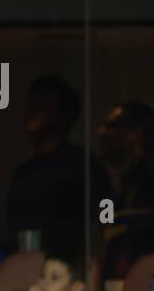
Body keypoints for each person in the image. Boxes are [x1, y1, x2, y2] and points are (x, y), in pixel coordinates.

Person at [6, 75, 104, 249]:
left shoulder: (81, 164)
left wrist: (106, 234)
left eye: (41, 105)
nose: (31, 111)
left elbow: (105, 206)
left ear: (63, 115)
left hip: (69, 264)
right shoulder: (24, 172)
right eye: (30, 104)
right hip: (29, 263)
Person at [96, 102, 154, 279]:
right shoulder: (110, 186)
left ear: (135, 134)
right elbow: (105, 234)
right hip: (116, 288)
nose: (101, 133)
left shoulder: (151, 182)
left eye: (112, 127)